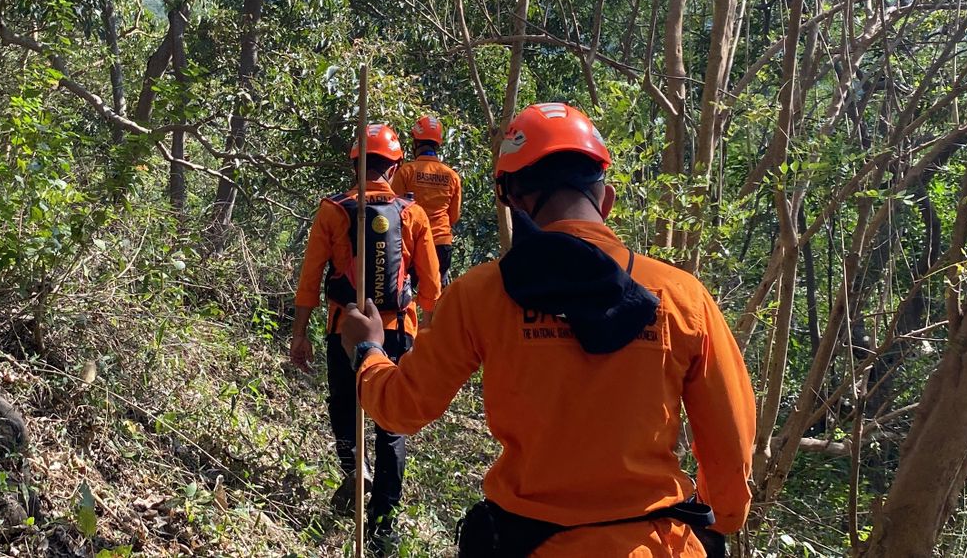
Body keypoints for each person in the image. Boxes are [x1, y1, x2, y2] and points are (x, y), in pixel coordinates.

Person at [339, 103, 756, 558]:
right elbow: (730, 446)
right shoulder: (682, 298)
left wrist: (368, 349)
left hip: (526, 544)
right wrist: (720, 522)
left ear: (513, 201)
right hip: (655, 547)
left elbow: (401, 410)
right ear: (607, 199)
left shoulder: (481, 295)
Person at [290, 123, 441, 555]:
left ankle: (356, 472)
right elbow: (430, 287)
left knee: (343, 404)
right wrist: (427, 336)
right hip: (396, 331)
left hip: (345, 327)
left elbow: (310, 279)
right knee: (391, 424)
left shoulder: (333, 210)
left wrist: (299, 335)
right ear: (394, 168)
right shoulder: (412, 214)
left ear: (355, 164)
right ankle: (385, 524)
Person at [392, 115, 464, 285]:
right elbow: (453, 217)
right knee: (436, 297)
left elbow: (394, 210)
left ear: (415, 143)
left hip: (412, 244)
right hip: (441, 243)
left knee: (404, 293)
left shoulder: (406, 172)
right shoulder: (452, 176)